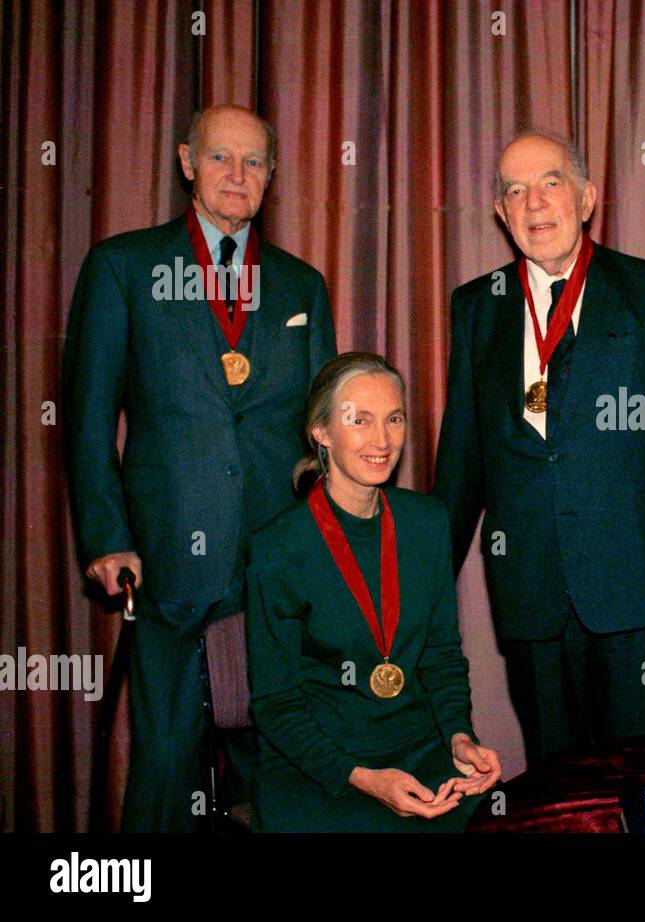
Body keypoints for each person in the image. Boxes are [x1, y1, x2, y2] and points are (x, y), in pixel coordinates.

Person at [62, 104, 336, 831]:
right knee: (164, 776)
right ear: (187, 162)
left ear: (272, 176)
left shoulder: (303, 286)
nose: (236, 175)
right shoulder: (122, 267)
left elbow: (323, 439)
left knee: (276, 780)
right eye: (220, 157)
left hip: (275, 580)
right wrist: (105, 536)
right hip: (167, 570)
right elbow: (87, 421)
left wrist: (324, 552)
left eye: (253, 162)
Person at [433, 131, 645, 764]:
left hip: (635, 584)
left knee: (640, 778)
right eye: (515, 189)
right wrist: (424, 578)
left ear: (587, 197)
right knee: (556, 786)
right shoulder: (476, 307)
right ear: (500, 213)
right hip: (530, 589)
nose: (534, 202)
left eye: (551, 182)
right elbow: (462, 458)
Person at [246, 352, 501, 832]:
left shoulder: (427, 523)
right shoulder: (277, 548)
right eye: (358, 420)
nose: (382, 441)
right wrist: (364, 779)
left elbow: (442, 657)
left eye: (394, 419)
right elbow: (274, 704)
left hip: (419, 750)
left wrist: (460, 739)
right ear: (320, 432)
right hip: (320, 766)